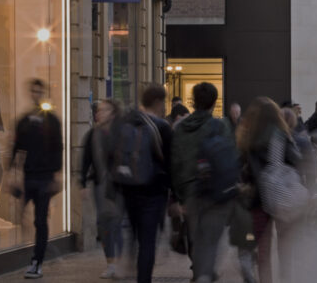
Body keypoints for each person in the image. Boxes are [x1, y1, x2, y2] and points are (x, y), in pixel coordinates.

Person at [172, 82, 238, 283]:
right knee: (211, 240)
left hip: (190, 192)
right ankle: (204, 275)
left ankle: (200, 273)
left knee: (196, 238)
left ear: (193, 102)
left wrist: (178, 196)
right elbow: (232, 157)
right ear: (214, 102)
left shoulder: (180, 128)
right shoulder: (221, 126)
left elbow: (175, 164)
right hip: (216, 192)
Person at [114, 84, 175, 283]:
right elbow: (172, 163)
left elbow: (113, 156)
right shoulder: (163, 127)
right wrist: (175, 196)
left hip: (129, 189)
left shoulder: (127, 121)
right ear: (158, 102)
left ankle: (128, 263)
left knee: (133, 233)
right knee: (147, 243)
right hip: (154, 192)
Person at [9, 78, 64, 279]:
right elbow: (16, 148)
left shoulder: (52, 120)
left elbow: (58, 147)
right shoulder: (24, 120)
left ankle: (37, 261)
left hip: (44, 177)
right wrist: (12, 174)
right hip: (29, 176)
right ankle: (33, 252)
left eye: (39, 91)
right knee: (25, 216)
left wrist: (56, 174)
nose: (36, 95)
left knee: (40, 220)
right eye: (33, 91)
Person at [233, 97, 285, 283]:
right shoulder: (279, 135)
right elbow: (284, 164)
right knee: (265, 252)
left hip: (250, 198)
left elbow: (237, 166)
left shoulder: (245, 136)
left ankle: (249, 275)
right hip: (271, 199)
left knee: (247, 247)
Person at [80, 98, 125, 277]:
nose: (100, 113)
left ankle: (120, 260)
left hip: (120, 186)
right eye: (99, 110)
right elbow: (85, 160)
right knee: (103, 223)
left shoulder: (122, 133)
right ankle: (111, 263)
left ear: (113, 113)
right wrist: (82, 183)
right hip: (100, 184)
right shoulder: (92, 135)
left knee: (117, 223)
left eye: (104, 110)